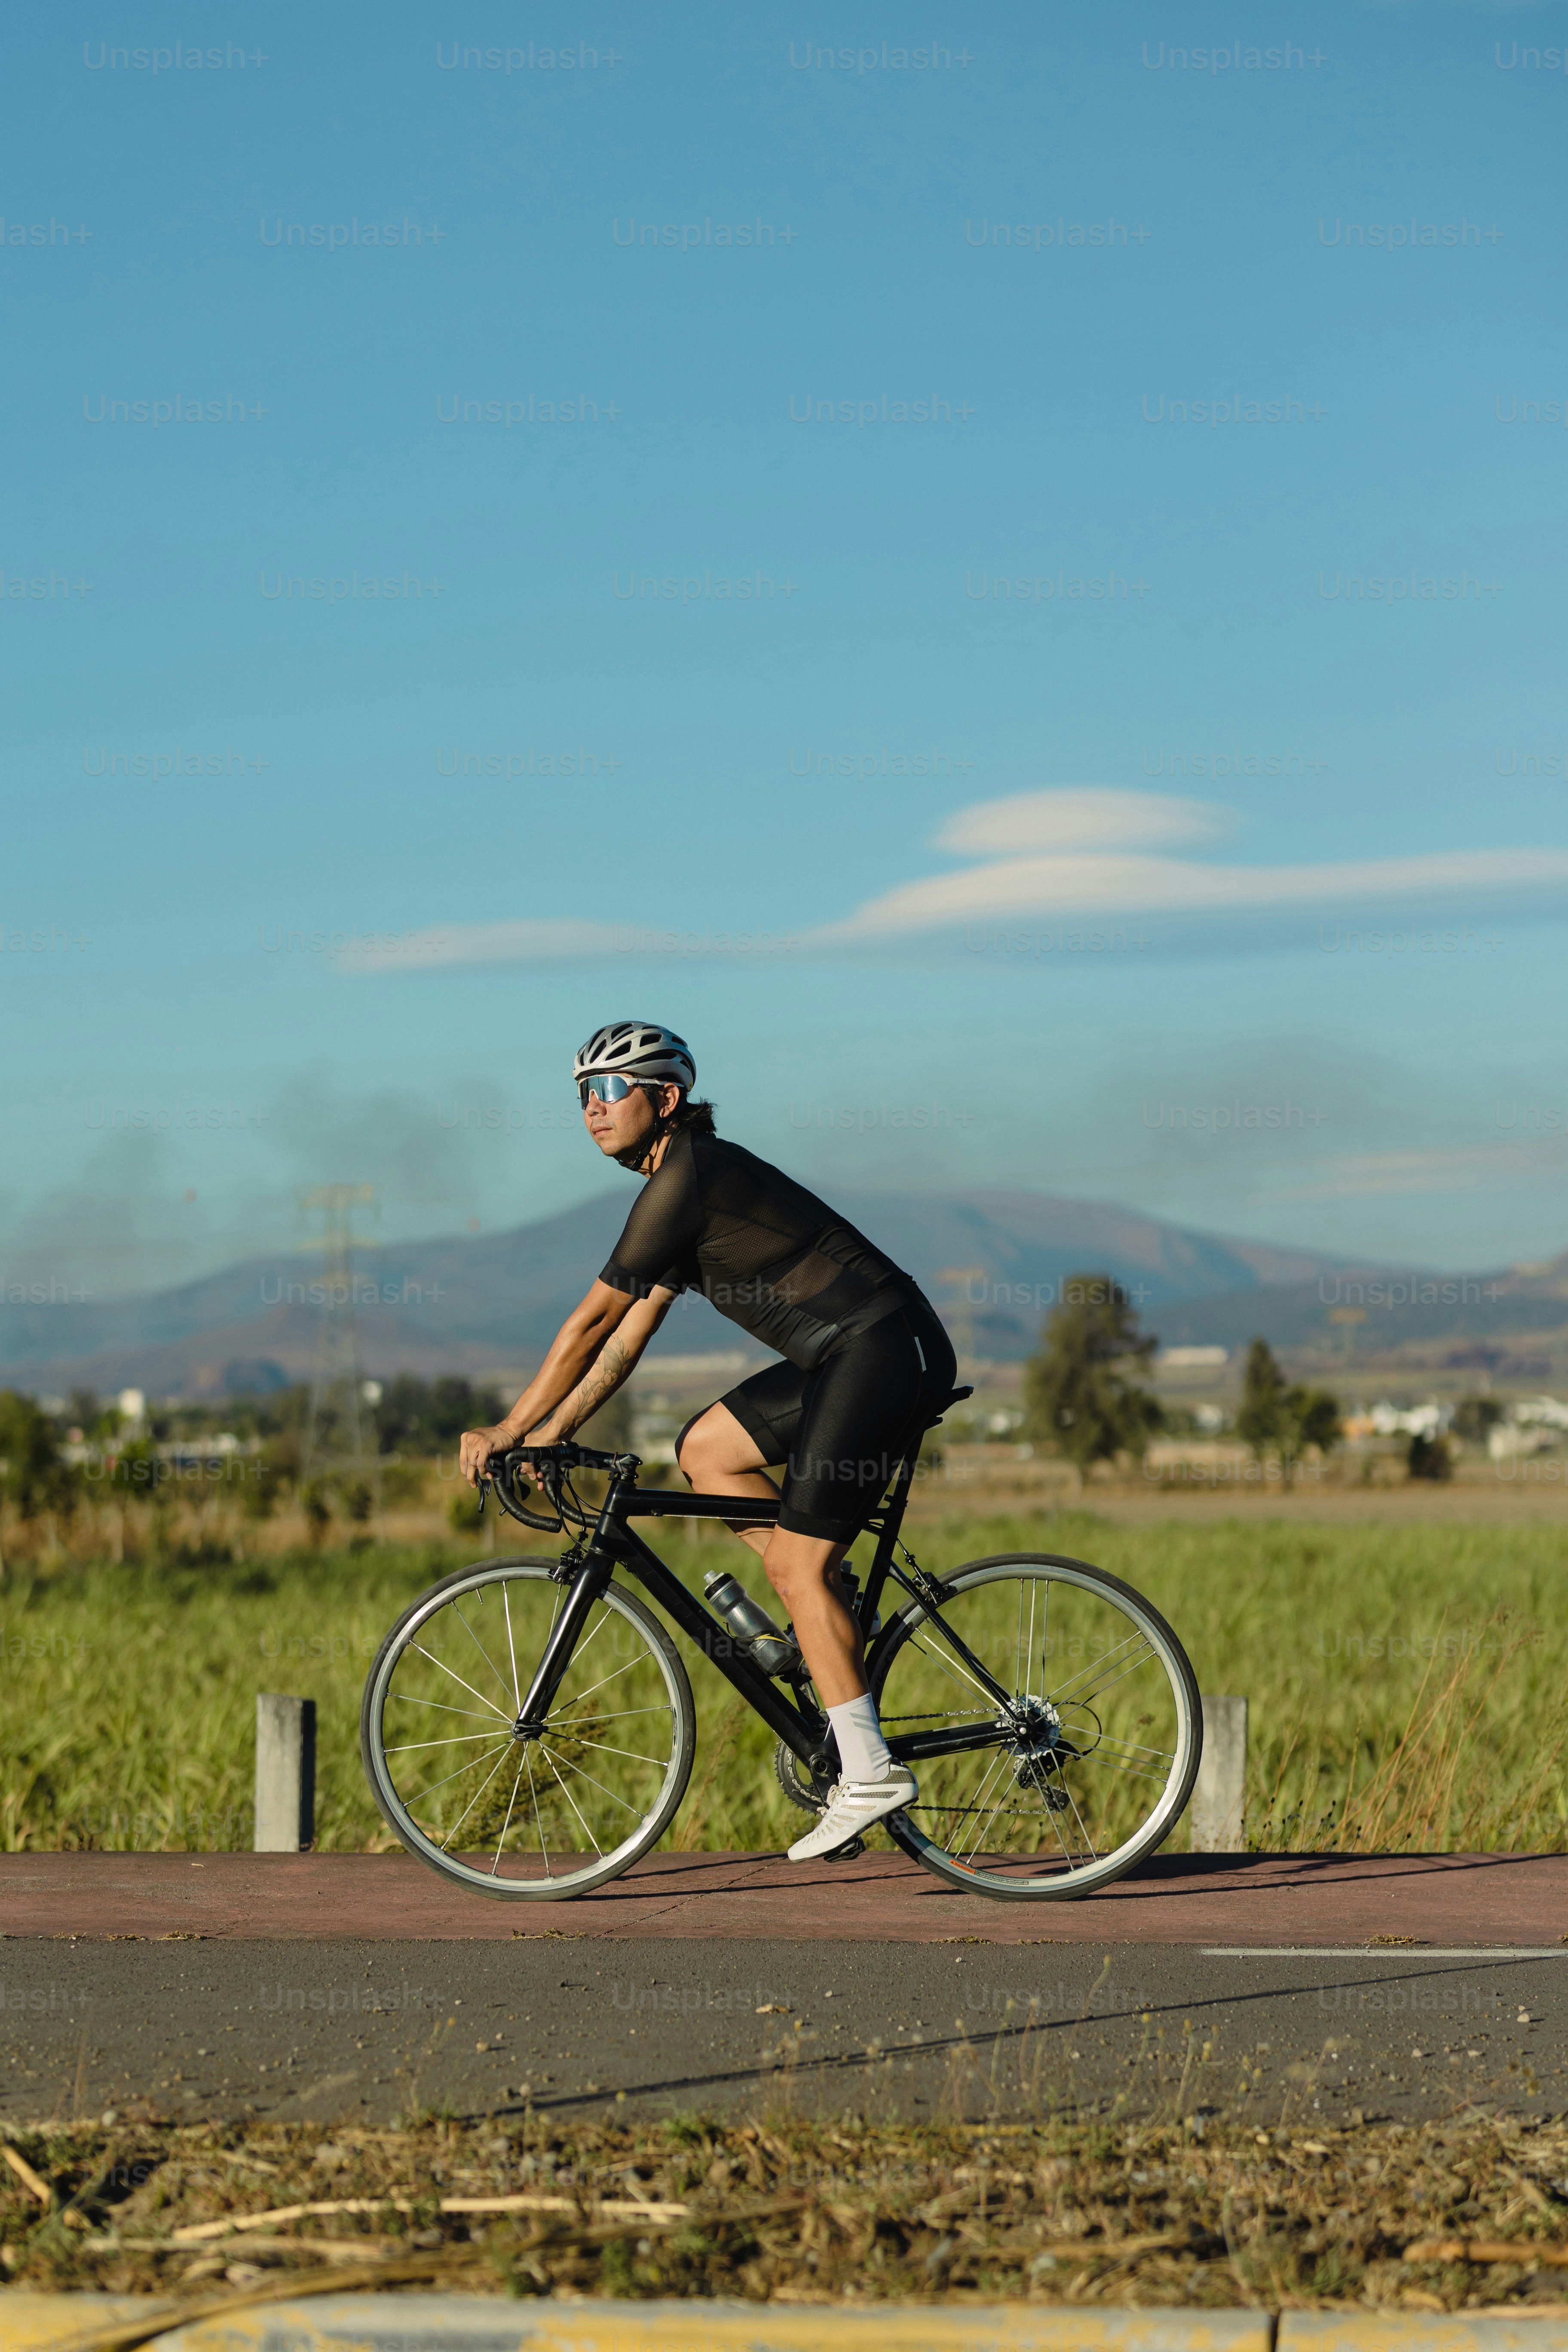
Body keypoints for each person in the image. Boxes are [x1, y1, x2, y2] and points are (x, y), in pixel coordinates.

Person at [457, 1019, 958, 1861]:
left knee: (798, 1566)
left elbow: (590, 1322)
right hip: (848, 1355)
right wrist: (549, 1435)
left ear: (668, 1099)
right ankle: (820, 1622)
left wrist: (510, 1428)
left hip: (881, 1347)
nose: (593, 1108)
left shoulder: (688, 1176)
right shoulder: (680, 1192)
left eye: (612, 1089)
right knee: (707, 1452)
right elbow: (625, 1340)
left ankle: (869, 1770)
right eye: (583, 1093)